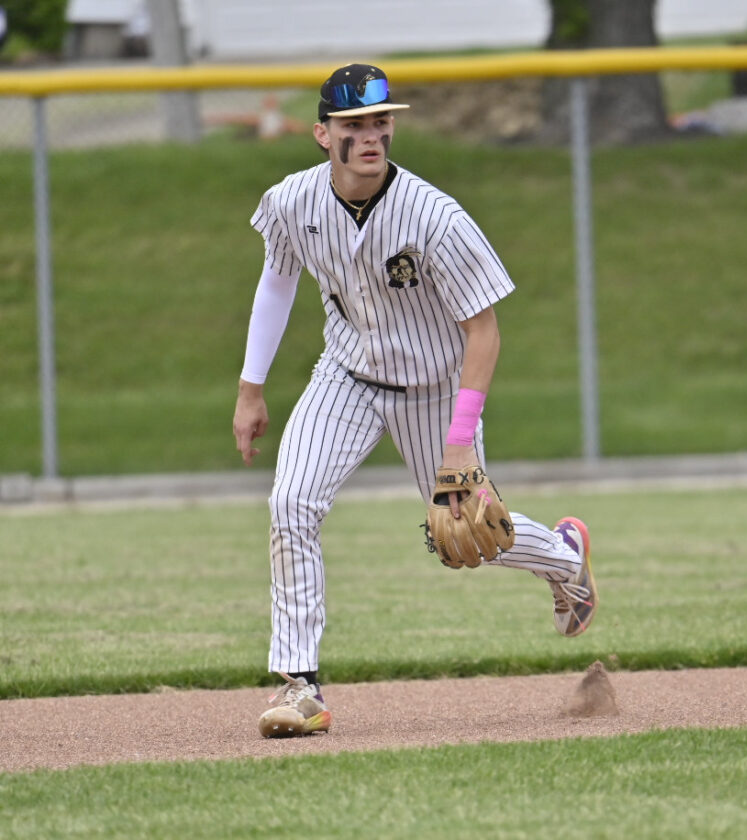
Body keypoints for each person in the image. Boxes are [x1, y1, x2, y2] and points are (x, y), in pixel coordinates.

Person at [232, 64, 598, 738]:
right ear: (322, 134)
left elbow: (482, 329)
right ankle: (300, 686)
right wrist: (251, 389)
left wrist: (460, 439)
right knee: (291, 502)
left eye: (380, 121)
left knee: (474, 538)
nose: (370, 135)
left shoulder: (434, 217)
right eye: (354, 125)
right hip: (344, 377)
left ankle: (567, 562)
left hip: (435, 390)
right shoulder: (292, 202)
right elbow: (276, 283)